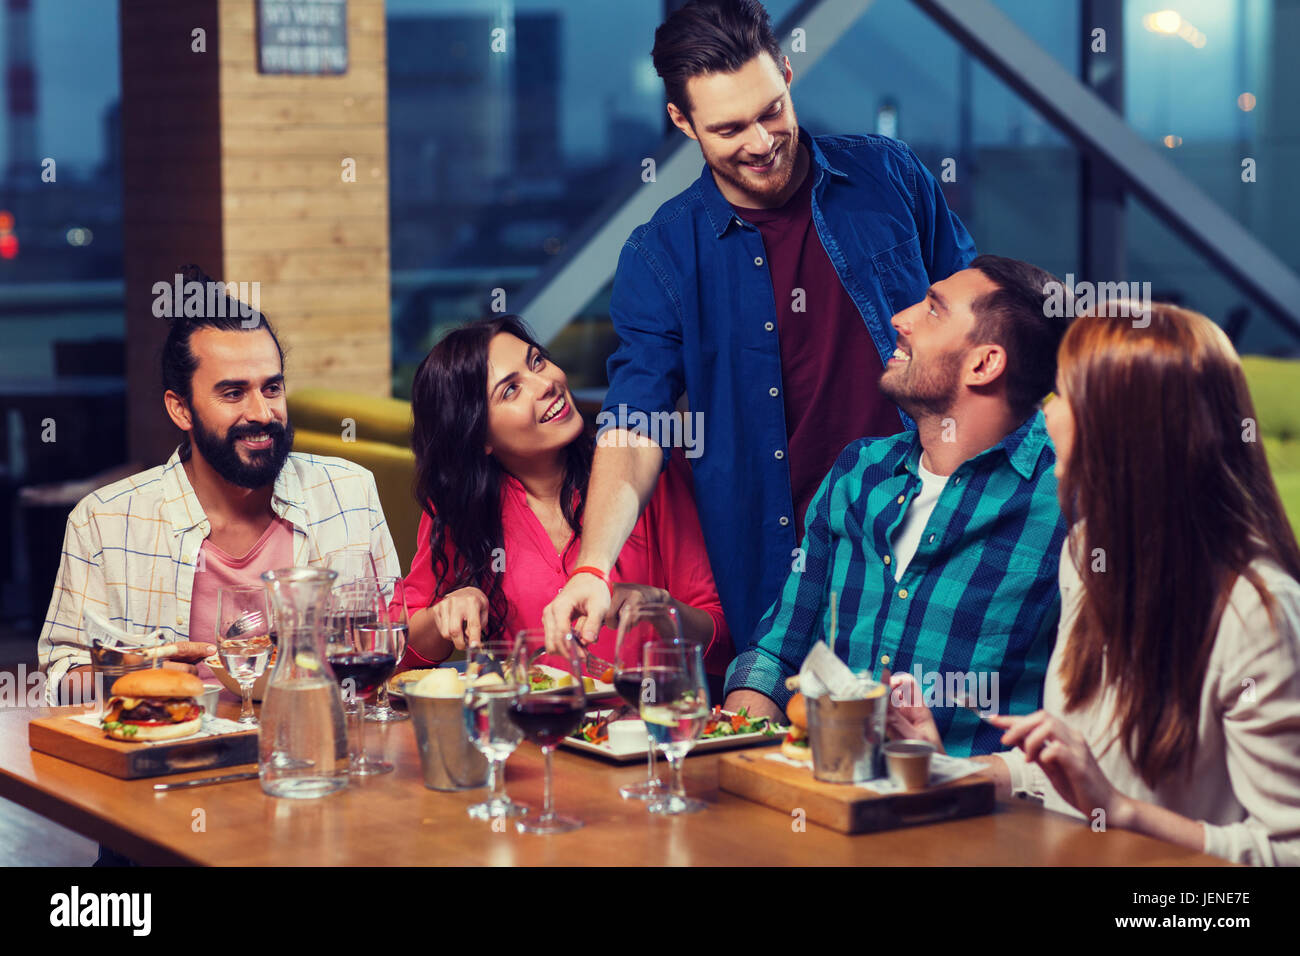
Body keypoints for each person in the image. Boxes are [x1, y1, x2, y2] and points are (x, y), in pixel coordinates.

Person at [543, 0, 976, 655]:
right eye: (728, 128)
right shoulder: (661, 256)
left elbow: (980, 323)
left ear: (787, 75)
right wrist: (593, 565)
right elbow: (637, 428)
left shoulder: (890, 178)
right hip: (780, 575)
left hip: (932, 533)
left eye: (771, 109)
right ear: (682, 123)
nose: (761, 141)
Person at [890, 303, 1300, 864]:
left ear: (1121, 431)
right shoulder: (1088, 556)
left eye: (1064, 396)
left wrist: (1122, 812)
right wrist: (943, 772)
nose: (1047, 417)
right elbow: (1078, 770)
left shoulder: (1257, 615)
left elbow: (1287, 849)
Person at [725, 255, 1071, 756]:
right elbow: (777, 653)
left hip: (972, 816)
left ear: (984, 364)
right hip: (826, 797)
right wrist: (733, 751)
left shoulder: (1066, 502)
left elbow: (1093, 719)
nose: (900, 318)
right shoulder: (859, 470)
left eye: (933, 310)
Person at [38, 267, 400, 707]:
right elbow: (58, 681)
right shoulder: (103, 521)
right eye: (233, 393)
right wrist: (136, 671)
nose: (262, 412)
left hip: (322, 749)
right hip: (175, 754)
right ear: (181, 409)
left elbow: (392, 636)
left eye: (272, 388)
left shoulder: (350, 492)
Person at [399, 315, 731, 681]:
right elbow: (403, 652)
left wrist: (660, 608)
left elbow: (721, 638)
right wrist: (446, 611)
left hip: (646, 728)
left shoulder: (641, 471)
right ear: (480, 438)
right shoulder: (458, 508)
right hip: (527, 729)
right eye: (511, 390)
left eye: (537, 361)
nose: (546, 384)